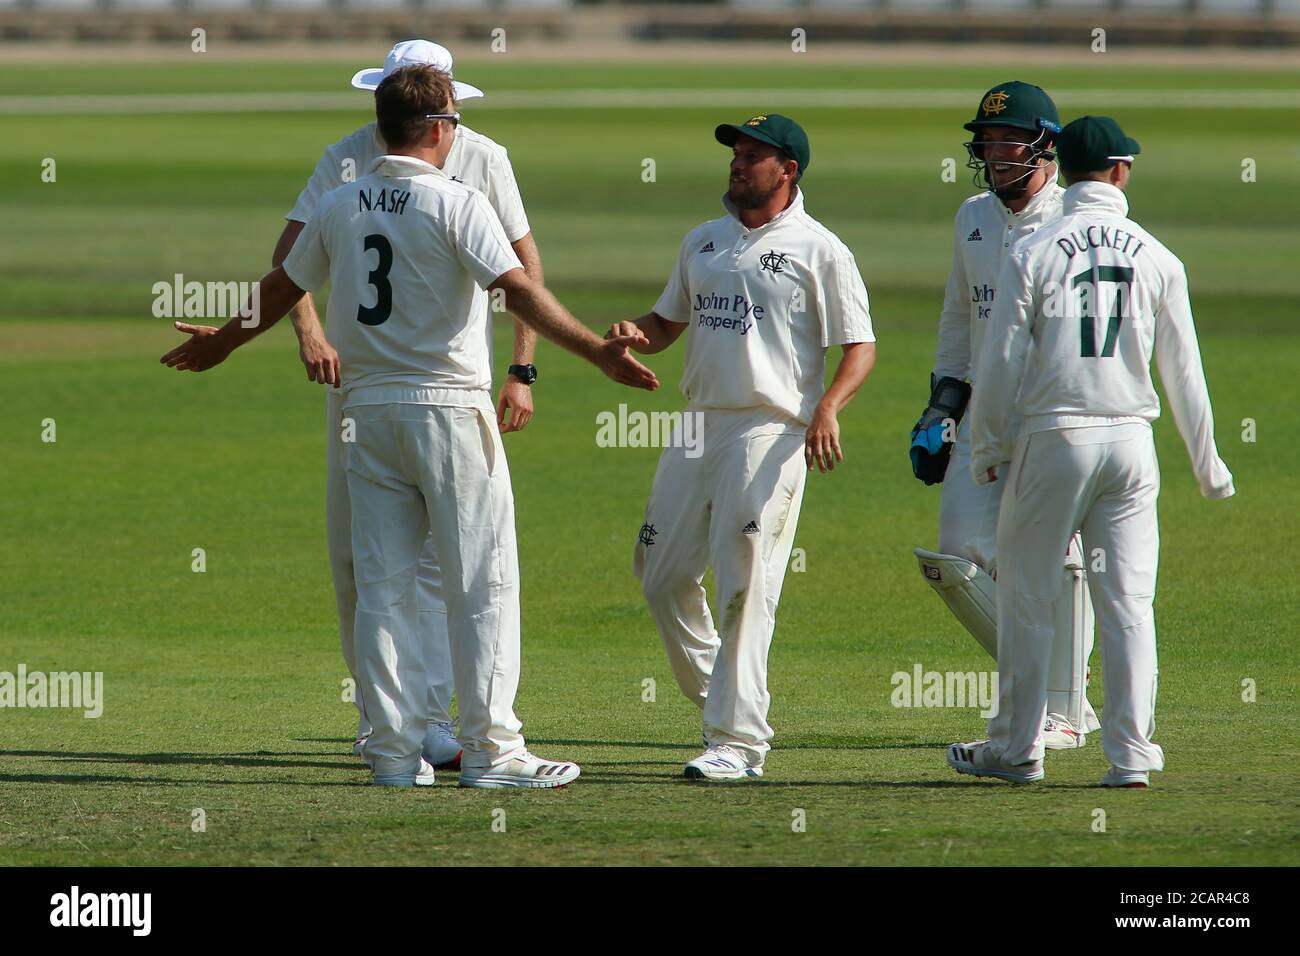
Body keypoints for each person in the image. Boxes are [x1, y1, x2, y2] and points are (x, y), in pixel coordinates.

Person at [162, 65, 659, 787]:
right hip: (448, 409)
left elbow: (282, 286)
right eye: (452, 120)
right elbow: (516, 288)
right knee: (483, 582)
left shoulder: (340, 201)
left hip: (365, 415)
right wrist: (594, 354)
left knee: (384, 587)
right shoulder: (456, 202)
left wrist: (222, 344)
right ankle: (493, 752)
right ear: (435, 128)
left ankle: (394, 757)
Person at [948, 116, 1235, 787]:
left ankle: (1017, 750)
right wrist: (1208, 463)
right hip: (1132, 444)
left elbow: (1001, 359)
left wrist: (986, 444)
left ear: (1065, 167)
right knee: (1130, 603)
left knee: (1027, 596)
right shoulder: (1159, 256)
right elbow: (1185, 373)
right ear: (1121, 170)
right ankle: (1131, 756)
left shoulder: (1034, 248)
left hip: (1055, 437)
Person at [614, 114, 876, 781]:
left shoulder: (821, 250)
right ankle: (727, 699)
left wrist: (827, 408)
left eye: (752, 156)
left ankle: (738, 742)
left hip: (771, 430)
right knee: (659, 571)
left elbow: (859, 346)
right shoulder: (703, 240)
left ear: (787, 170)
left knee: (744, 580)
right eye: (735, 154)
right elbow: (669, 321)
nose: (736, 165)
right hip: (699, 424)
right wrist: (634, 334)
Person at [910, 81, 1099, 748]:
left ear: (1045, 144)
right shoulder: (972, 217)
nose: (994, 152)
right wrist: (942, 402)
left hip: (1055, 414)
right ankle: (1047, 689)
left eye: (1007, 139)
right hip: (982, 418)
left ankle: (1065, 710)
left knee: (1060, 557)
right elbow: (960, 318)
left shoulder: (1073, 222)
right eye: (986, 141)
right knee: (956, 555)